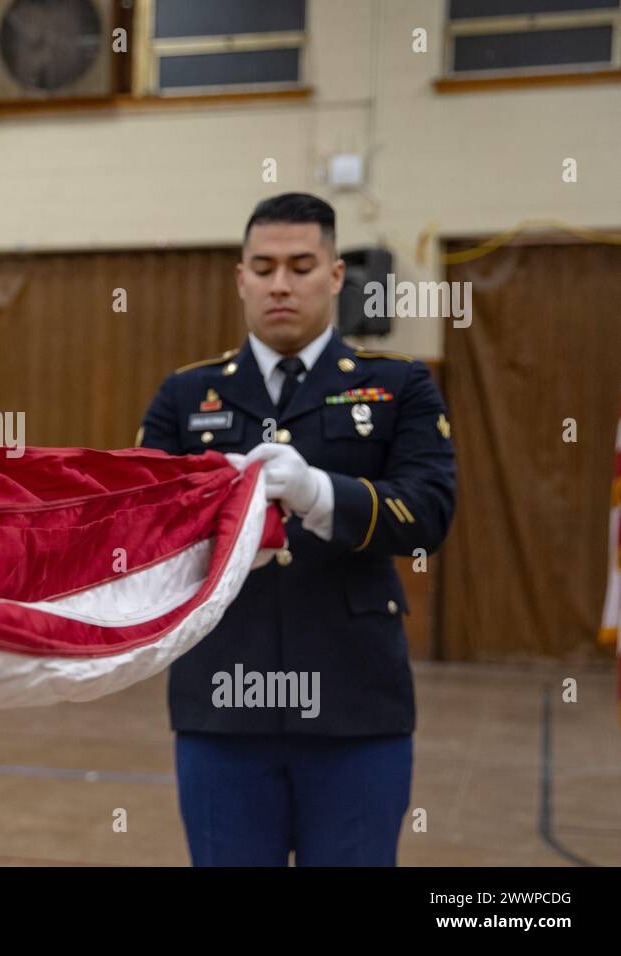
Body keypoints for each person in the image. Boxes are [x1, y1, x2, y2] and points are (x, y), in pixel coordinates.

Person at [138, 192, 456, 866]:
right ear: (241, 278)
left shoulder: (398, 386)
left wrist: (319, 495)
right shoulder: (185, 396)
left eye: (302, 265)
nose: (281, 283)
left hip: (354, 705)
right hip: (222, 700)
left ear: (337, 276)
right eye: (265, 266)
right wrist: (206, 532)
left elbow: (429, 515)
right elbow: (141, 537)